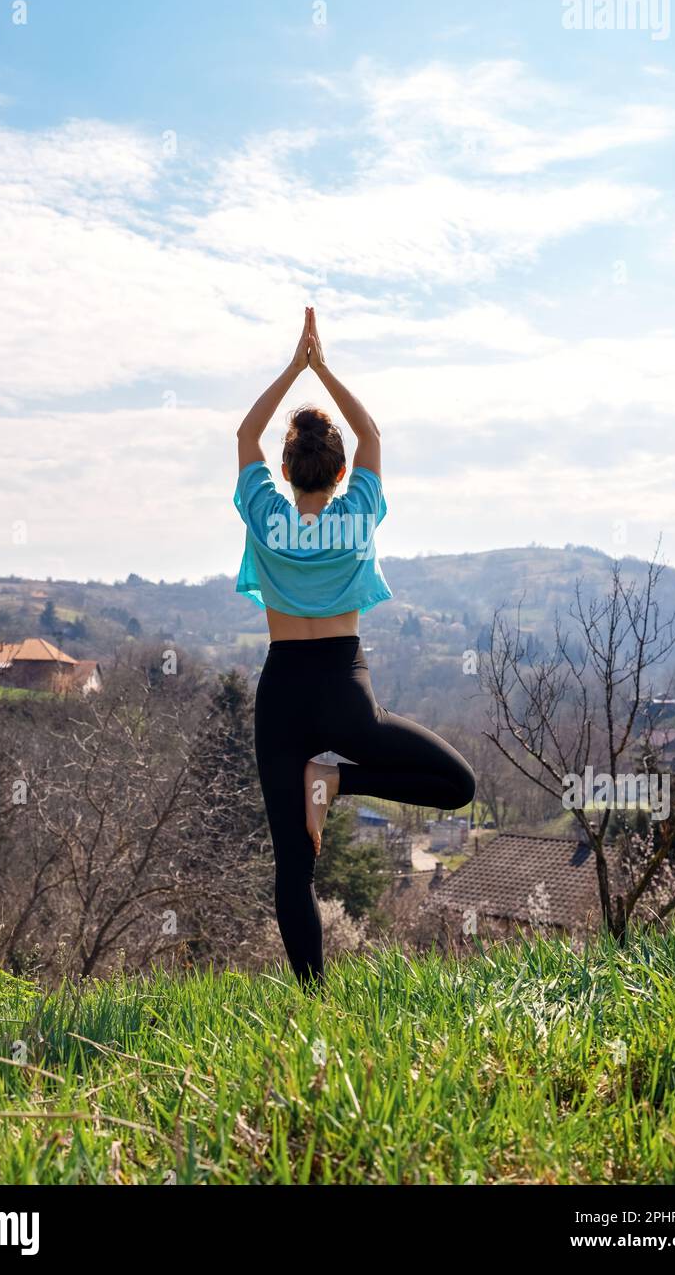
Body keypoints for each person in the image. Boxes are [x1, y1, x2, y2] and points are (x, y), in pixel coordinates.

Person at [234, 307, 476, 988]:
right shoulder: (357, 512)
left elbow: (245, 431)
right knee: (457, 786)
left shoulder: (264, 512)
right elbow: (370, 430)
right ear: (340, 475)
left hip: (280, 694)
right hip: (344, 691)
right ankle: (336, 781)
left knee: (293, 868)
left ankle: (311, 1003)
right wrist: (321, 367)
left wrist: (293, 368)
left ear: (284, 471)